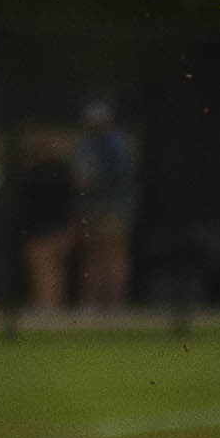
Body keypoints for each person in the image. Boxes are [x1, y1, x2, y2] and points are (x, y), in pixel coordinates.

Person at [73, 100, 139, 313]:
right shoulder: (88, 143)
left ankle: (115, 303)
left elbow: (116, 176)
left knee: (113, 253)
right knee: (94, 255)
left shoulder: (115, 144)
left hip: (112, 206)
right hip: (95, 206)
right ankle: (95, 302)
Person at [14, 128, 81, 313]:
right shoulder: (62, 172)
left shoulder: (35, 174)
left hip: (42, 229)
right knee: (55, 270)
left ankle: (47, 307)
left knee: (43, 270)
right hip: (56, 227)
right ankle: (52, 306)